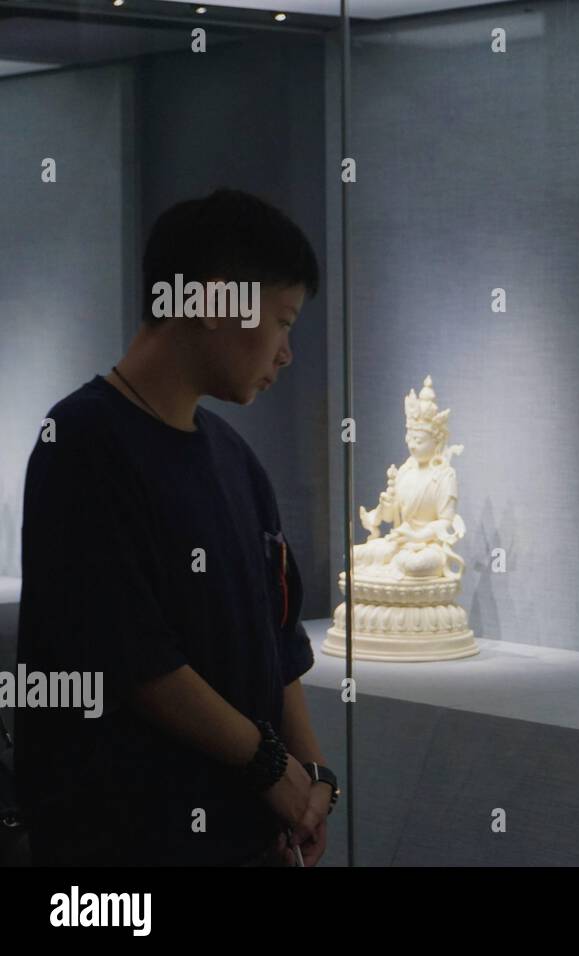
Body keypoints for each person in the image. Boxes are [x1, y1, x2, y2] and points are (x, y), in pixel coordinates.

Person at [14, 188, 338, 866]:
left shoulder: (235, 458)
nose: (285, 353)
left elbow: (278, 644)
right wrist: (271, 770)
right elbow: (136, 659)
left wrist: (310, 786)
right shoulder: (79, 441)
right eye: (282, 322)